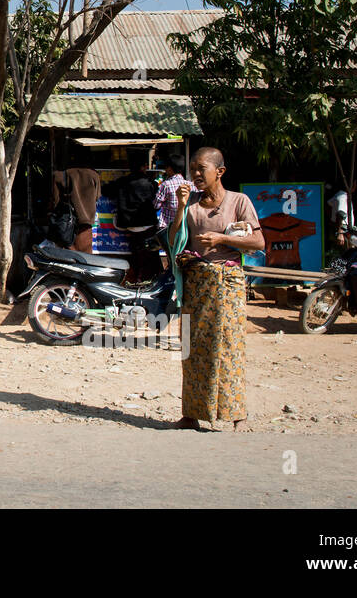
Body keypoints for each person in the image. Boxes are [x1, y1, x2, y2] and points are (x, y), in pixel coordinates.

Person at [168, 146, 264, 432]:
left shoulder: (239, 201)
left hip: (228, 284)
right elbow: (174, 241)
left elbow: (258, 243)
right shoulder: (192, 205)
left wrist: (222, 239)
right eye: (193, 169)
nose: (195, 174)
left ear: (219, 172)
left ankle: (237, 416)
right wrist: (181, 207)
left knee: (229, 347)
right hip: (196, 285)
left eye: (201, 169)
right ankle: (190, 414)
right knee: (192, 348)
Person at [111, 154, 160, 282]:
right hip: (147, 225)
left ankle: (138, 280)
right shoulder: (150, 183)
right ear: (143, 167)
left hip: (130, 226)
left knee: (137, 255)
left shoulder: (122, 182)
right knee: (149, 256)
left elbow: (109, 191)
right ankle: (147, 281)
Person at [52, 167, 101, 252]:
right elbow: (97, 196)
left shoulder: (60, 174)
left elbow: (55, 200)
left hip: (67, 222)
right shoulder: (94, 174)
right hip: (86, 221)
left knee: (68, 253)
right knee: (86, 255)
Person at [154, 154, 187, 234]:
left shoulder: (166, 185)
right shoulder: (190, 185)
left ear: (169, 168)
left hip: (168, 227)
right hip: (184, 227)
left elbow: (156, 205)